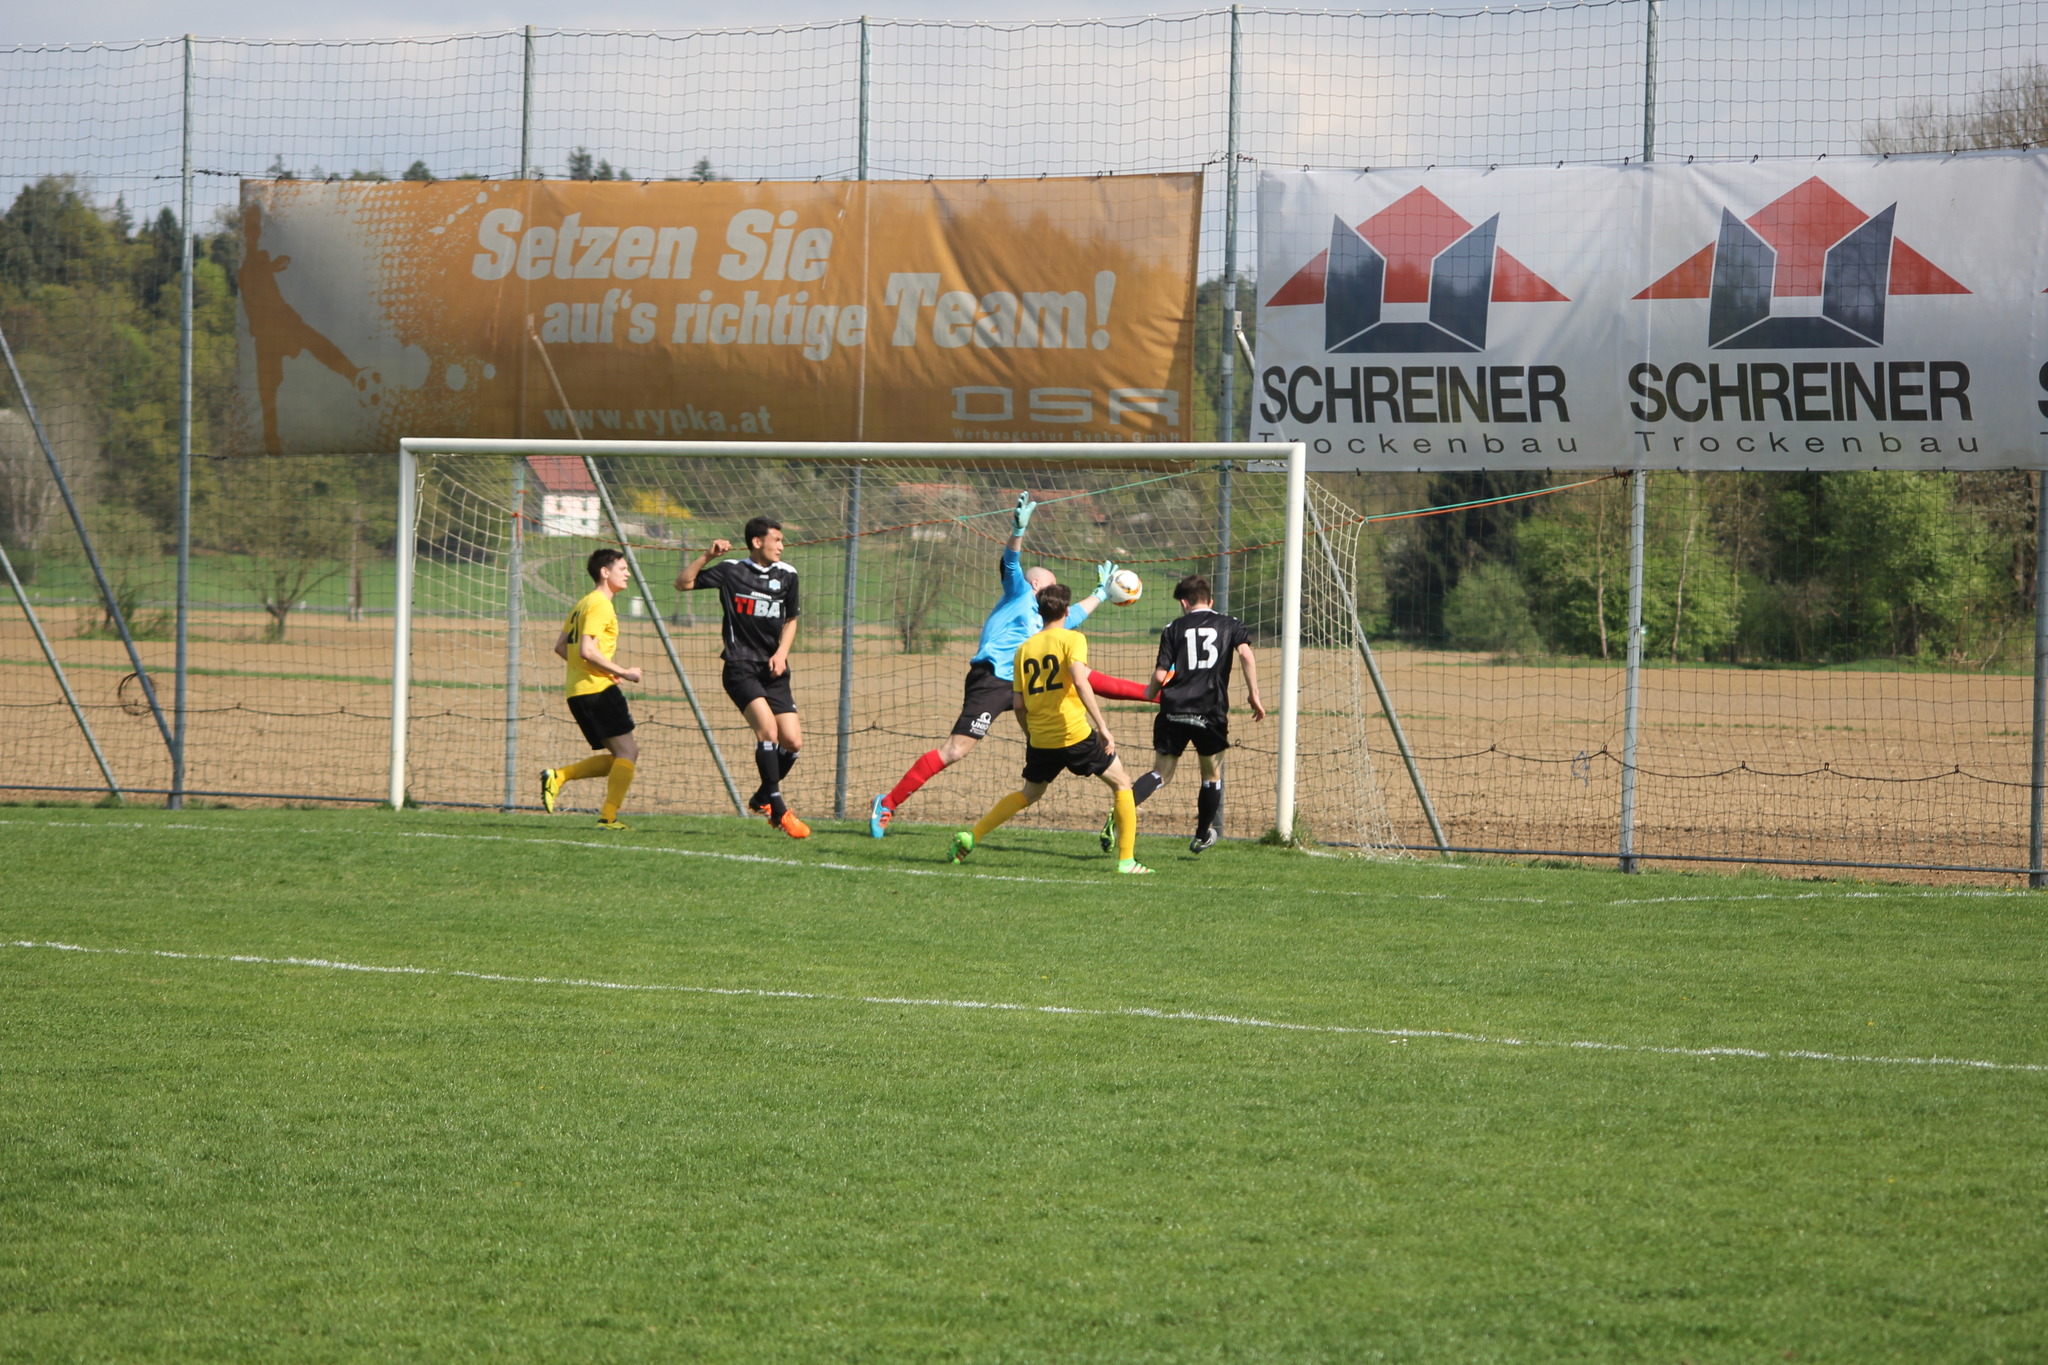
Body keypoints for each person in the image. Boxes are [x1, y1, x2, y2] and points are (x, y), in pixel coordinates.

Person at [870, 490, 1135, 837]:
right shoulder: (1019, 592)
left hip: (1024, 686)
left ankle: (1119, 789)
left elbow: (1076, 614)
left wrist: (1101, 593)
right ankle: (887, 803)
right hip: (993, 681)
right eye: (1051, 586)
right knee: (955, 750)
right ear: (1037, 584)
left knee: (1069, 706)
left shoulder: (1049, 622)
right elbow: (1010, 562)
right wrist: (1018, 530)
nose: (1054, 595)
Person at [950, 583, 1152, 875]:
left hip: (1041, 738)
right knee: (1122, 784)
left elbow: (1019, 705)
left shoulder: (1024, 649)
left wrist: (1030, 736)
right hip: (1074, 733)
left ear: (1040, 612)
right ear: (1067, 611)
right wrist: (1103, 727)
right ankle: (1127, 861)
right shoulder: (1073, 638)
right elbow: (1081, 681)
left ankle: (973, 835)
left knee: (1028, 794)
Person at [1100, 573, 1264, 855]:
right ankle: (1202, 835)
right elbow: (1246, 655)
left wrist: (1150, 693)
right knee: (1211, 776)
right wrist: (1254, 694)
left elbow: (1161, 673)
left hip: (1174, 707)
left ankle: (1117, 817)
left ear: (1185, 603)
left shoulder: (1173, 628)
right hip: (1210, 711)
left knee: (1160, 774)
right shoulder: (1230, 624)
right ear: (1209, 600)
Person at [676, 515, 809, 838]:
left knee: (792, 742)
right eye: (776, 539)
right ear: (757, 542)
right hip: (740, 666)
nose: (781, 545)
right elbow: (684, 583)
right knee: (768, 732)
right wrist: (708, 556)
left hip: (774, 669)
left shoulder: (788, 575)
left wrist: (781, 653)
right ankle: (778, 810)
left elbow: (791, 619)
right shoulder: (732, 570)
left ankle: (762, 796)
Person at [539, 548, 645, 830]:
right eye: (622, 569)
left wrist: (602, 670)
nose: (628, 574)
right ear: (605, 572)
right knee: (627, 753)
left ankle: (559, 776)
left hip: (578, 691)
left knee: (622, 755)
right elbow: (586, 649)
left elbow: (562, 647)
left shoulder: (583, 604)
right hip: (597, 691)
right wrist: (623, 671)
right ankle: (607, 817)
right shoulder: (600, 604)